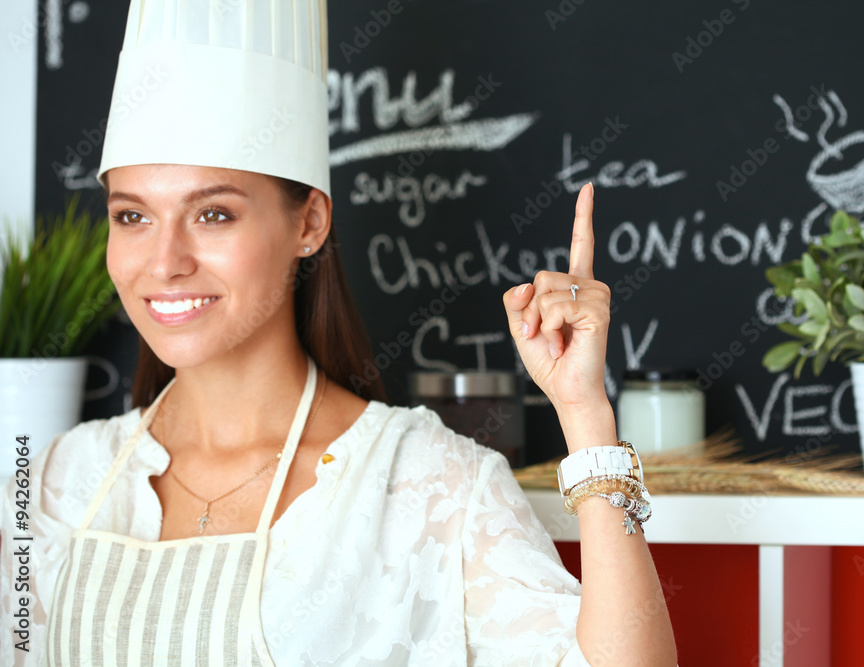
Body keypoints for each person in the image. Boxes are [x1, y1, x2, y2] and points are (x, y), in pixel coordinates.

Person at [0, 1, 677, 664]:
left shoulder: (427, 484)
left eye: (213, 215)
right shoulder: (59, 484)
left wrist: (584, 412)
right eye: (132, 217)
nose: (165, 262)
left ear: (309, 223)